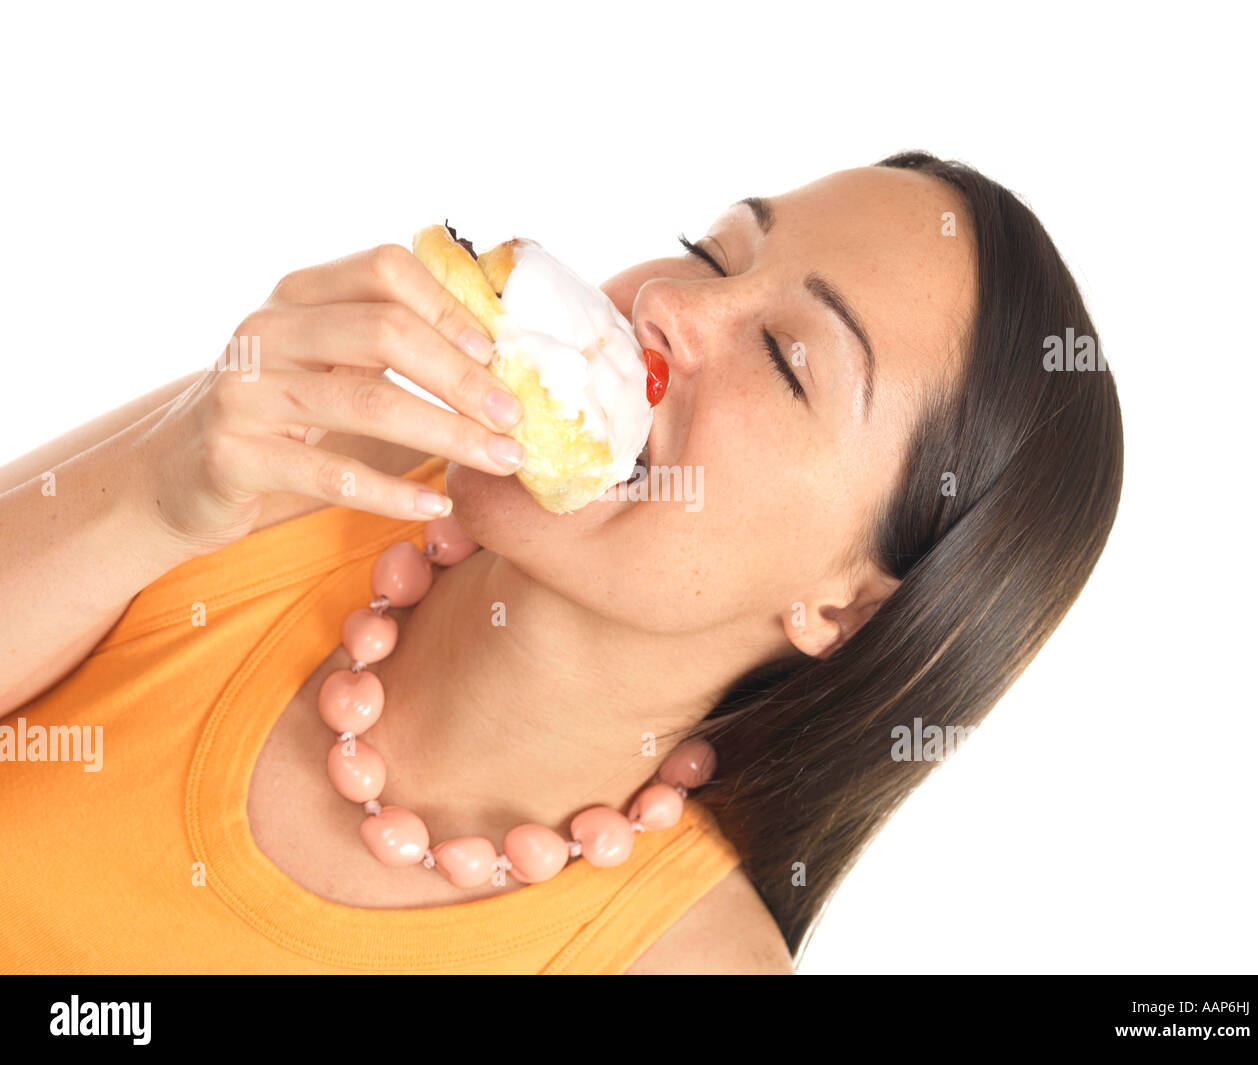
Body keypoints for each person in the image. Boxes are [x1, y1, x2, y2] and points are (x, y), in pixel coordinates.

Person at [0, 151, 1122, 974]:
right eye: (709, 253)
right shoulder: (320, 448)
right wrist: (150, 492)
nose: (669, 307)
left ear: (849, 610)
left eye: (785, 359)